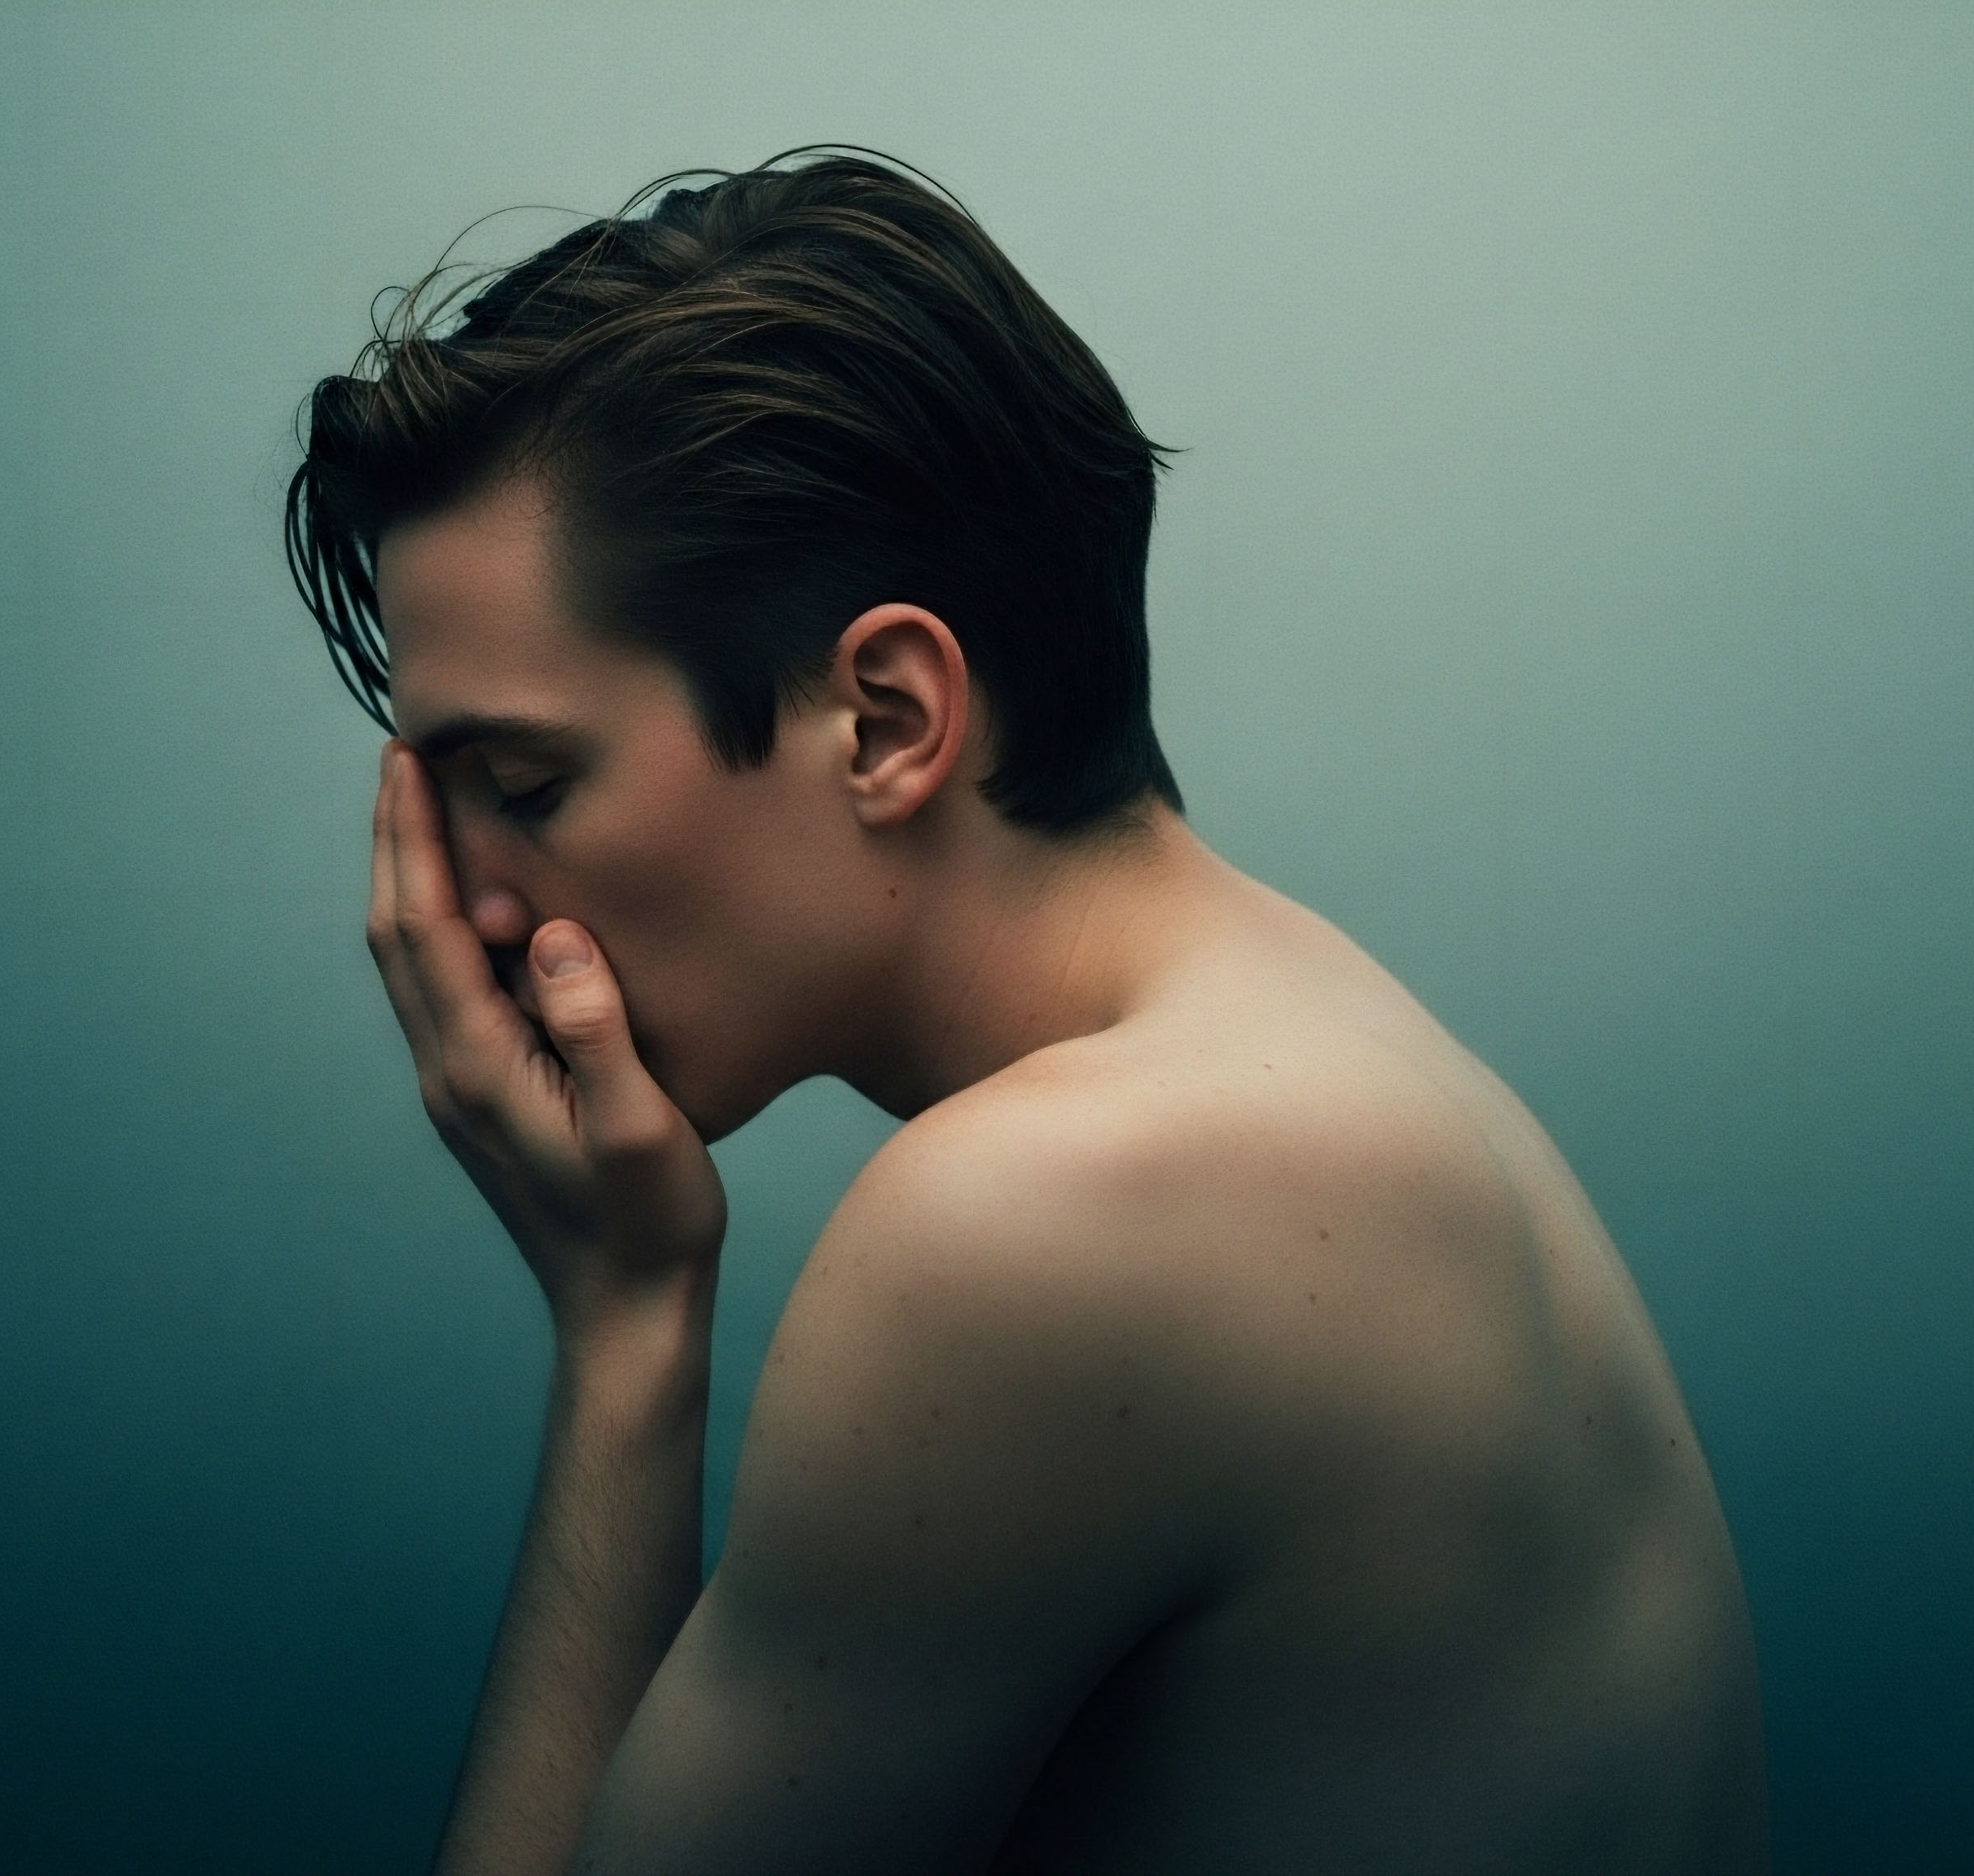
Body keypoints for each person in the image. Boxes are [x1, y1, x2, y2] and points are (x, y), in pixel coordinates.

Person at [286, 149, 1766, 1875]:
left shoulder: (1051, 1218)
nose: (462, 905)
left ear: (888, 716)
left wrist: (625, 1330)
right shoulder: (1344, 1063)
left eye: (527, 786)